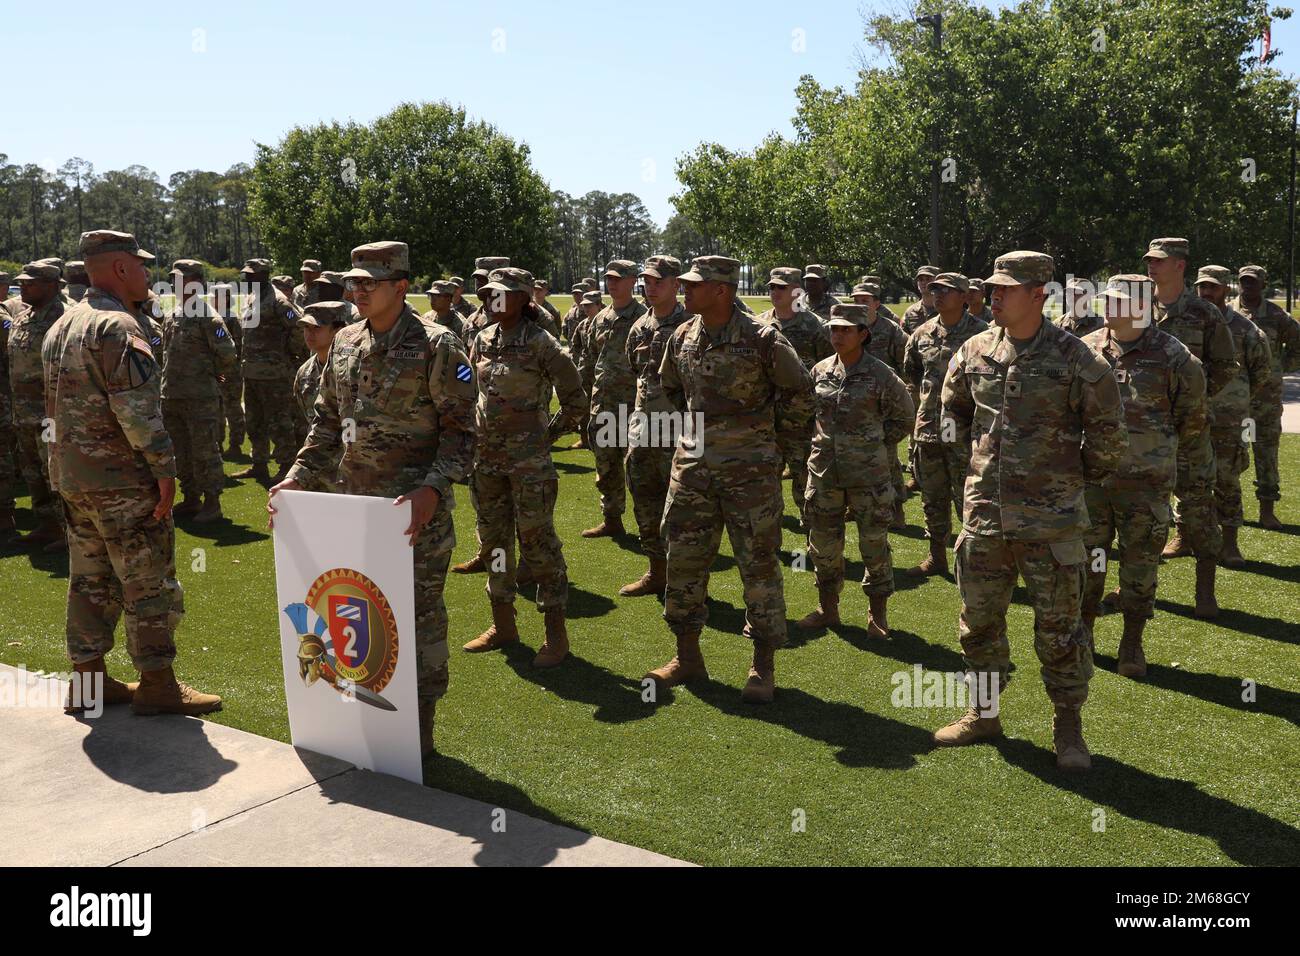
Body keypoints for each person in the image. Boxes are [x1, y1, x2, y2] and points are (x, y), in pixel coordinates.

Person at [270, 241, 477, 757]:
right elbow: (326, 423)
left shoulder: (437, 345)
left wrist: (432, 487)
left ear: (401, 287)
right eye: (352, 282)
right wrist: (297, 476)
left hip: (412, 516)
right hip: (352, 512)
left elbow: (462, 432)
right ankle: (363, 721)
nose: (357, 291)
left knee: (418, 617)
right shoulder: (342, 343)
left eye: (369, 282)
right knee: (356, 615)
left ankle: (420, 734)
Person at [937, 251, 1126, 771]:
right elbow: (949, 416)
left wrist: (1067, 485)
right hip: (985, 518)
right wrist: (975, 477)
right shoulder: (974, 350)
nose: (994, 295)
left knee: (1060, 630)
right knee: (979, 622)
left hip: (1053, 522)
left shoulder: (1077, 358)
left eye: (1007, 288)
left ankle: (1068, 729)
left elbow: (1108, 434)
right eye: (992, 288)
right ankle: (985, 713)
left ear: (1040, 294)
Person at [43, 229, 221, 716]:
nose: (148, 274)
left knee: (89, 578)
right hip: (122, 480)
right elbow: (137, 412)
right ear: (120, 268)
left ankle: (89, 683)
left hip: (75, 477)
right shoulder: (118, 326)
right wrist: (164, 469)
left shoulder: (64, 322)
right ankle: (158, 683)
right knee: (146, 580)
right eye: (141, 265)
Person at [645, 256, 813, 704]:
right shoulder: (682, 336)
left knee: (757, 566)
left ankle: (762, 665)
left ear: (721, 290)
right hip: (693, 468)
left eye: (694, 286)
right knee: (682, 561)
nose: (685, 291)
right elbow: (672, 388)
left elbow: (798, 395)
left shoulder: (763, 340)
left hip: (750, 474)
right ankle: (687, 656)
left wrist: (768, 446)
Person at [1080, 275, 1207, 678]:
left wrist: (1153, 453)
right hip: (1094, 485)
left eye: (1116, 301)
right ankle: (1083, 632)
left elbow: (1192, 420)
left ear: (1139, 305)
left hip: (1146, 487)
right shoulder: (1086, 350)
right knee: (1089, 562)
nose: (1106, 307)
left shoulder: (1175, 357)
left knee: (1139, 565)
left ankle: (1131, 641)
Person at [460, 267, 585, 666]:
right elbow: (468, 392)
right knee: (494, 543)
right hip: (487, 464)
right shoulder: (480, 340)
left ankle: (555, 634)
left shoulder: (543, 344)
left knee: (538, 544)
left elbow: (576, 402)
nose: (493, 300)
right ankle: (503, 624)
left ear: (523, 299)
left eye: (503, 294)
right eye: (489, 293)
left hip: (529, 466)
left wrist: (544, 437)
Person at [798, 303, 913, 637]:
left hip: (869, 476)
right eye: (834, 329)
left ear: (863, 334)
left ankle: (877, 615)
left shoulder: (881, 375)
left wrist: (872, 444)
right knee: (823, 546)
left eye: (846, 329)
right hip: (824, 474)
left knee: (874, 545)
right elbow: (806, 414)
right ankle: (827, 609)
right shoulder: (819, 371)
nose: (838, 335)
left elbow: (904, 418)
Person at [1144, 237, 1236, 617]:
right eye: (1149, 260)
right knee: (1141, 516)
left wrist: (1192, 402)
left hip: (1190, 433)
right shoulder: (1137, 308)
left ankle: (1205, 591)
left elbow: (1225, 366)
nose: (1152, 266)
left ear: (1180, 265)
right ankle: (1137, 590)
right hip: (1144, 433)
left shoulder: (1204, 313)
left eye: (1160, 261)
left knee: (1199, 511)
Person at [901, 272, 987, 576]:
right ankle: (937, 557)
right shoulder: (921, 334)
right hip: (928, 431)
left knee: (968, 499)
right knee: (932, 497)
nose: (937, 294)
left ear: (964, 296)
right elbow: (912, 374)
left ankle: (972, 561)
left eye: (946, 290)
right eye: (934, 289)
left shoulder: (983, 335)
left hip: (965, 433)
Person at [1195, 265, 1275, 567]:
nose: (1206, 293)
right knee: (1189, 479)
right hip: (1193, 416)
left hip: (1231, 420)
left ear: (1226, 289)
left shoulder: (1245, 328)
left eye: (1212, 287)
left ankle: (1230, 544)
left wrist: (1237, 400)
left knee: (1227, 480)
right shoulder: (1188, 324)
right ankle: (1185, 537)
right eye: (1202, 287)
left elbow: (1262, 372)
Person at [621, 255, 690, 596]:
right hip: (642, 432)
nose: (650, 287)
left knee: (682, 514)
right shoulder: (639, 327)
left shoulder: (692, 324)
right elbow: (637, 373)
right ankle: (656, 573)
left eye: (658, 281)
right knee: (645, 507)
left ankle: (685, 582)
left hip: (679, 434)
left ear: (677, 284)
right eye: (646, 281)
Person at [160, 259, 237, 523]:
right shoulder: (172, 315)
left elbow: (228, 353)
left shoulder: (207, 316)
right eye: (174, 280)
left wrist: (212, 375)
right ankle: (191, 498)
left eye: (182, 280)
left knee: (205, 451)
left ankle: (212, 502)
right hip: (172, 395)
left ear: (197, 283)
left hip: (200, 396)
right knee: (180, 451)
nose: (176, 284)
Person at [756, 267, 832, 527]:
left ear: (796, 291)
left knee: (805, 482)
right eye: (772, 287)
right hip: (766, 420)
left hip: (803, 421)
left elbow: (829, 368)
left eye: (781, 287)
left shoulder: (815, 326)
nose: (775, 292)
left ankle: (814, 542)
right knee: (766, 483)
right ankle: (770, 540)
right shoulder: (759, 324)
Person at [577, 260, 647, 539]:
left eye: (619, 278)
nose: (612, 283)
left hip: (634, 407)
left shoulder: (643, 317)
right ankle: (612, 519)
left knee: (639, 471)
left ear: (633, 281)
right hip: (603, 404)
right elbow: (591, 359)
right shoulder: (600, 318)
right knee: (606, 467)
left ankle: (649, 527)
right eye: (609, 278)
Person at [1232, 264, 1300, 530]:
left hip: (1266, 402)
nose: (1247, 286)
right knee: (1231, 455)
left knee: (1266, 454)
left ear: (1263, 284)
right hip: (1234, 400)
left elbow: (1298, 343)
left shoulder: (1276, 315)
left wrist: (1279, 367)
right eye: (1243, 282)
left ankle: (1267, 510)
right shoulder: (1226, 313)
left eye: (1252, 282)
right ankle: (1229, 510)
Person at [9, 259, 67, 550]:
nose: (23, 286)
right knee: (33, 471)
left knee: (54, 473)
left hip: (50, 415)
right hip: (24, 412)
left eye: (30, 282)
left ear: (52, 286)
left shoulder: (63, 319)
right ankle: (47, 525)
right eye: (21, 282)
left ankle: (69, 532)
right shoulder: (24, 317)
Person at [230, 259, 303, 483]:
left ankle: (286, 467)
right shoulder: (251, 298)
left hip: (274, 375)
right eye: (246, 276)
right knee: (255, 422)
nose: (247, 279)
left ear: (264, 276)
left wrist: (289, 355)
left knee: (279, 423)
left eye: (252, 276)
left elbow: (299, 328)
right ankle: (259, 465)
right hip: (251, 373)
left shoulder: (279, 302)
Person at [852, 278, 910, 526]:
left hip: (884, 403)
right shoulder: (849, 329)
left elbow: (908, 363)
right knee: (853, 457)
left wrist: (898, 392)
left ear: (877, 303)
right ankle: (855, 506)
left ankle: (896, 507)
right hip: (855, 402)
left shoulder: (891, 330)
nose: (860, 305)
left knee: (887, 459)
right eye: (856, 301)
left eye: (865, 301)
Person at [291, 301, 351, 493]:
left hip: (352, 474)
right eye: (306, 328)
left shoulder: (357, 369)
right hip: (317, 472)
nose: (309, 333)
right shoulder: (305, 372)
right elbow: (308, 421)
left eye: (316, 328)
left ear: (338, 330)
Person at [209, 282, 245, 459]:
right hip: (217, 372)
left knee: (232, 409)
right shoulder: (213, 317)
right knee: (217, 410)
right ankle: (218, 445)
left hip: (230, 372)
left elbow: (237, 348)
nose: (212, 299)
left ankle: (235, 445)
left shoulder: (230, 319)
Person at [900, 264, 940, 335]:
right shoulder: (910, 313)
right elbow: (904, 339)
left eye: (928, 279)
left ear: (937, 282)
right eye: (921, 279)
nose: (924, 282)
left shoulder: (947, 308)